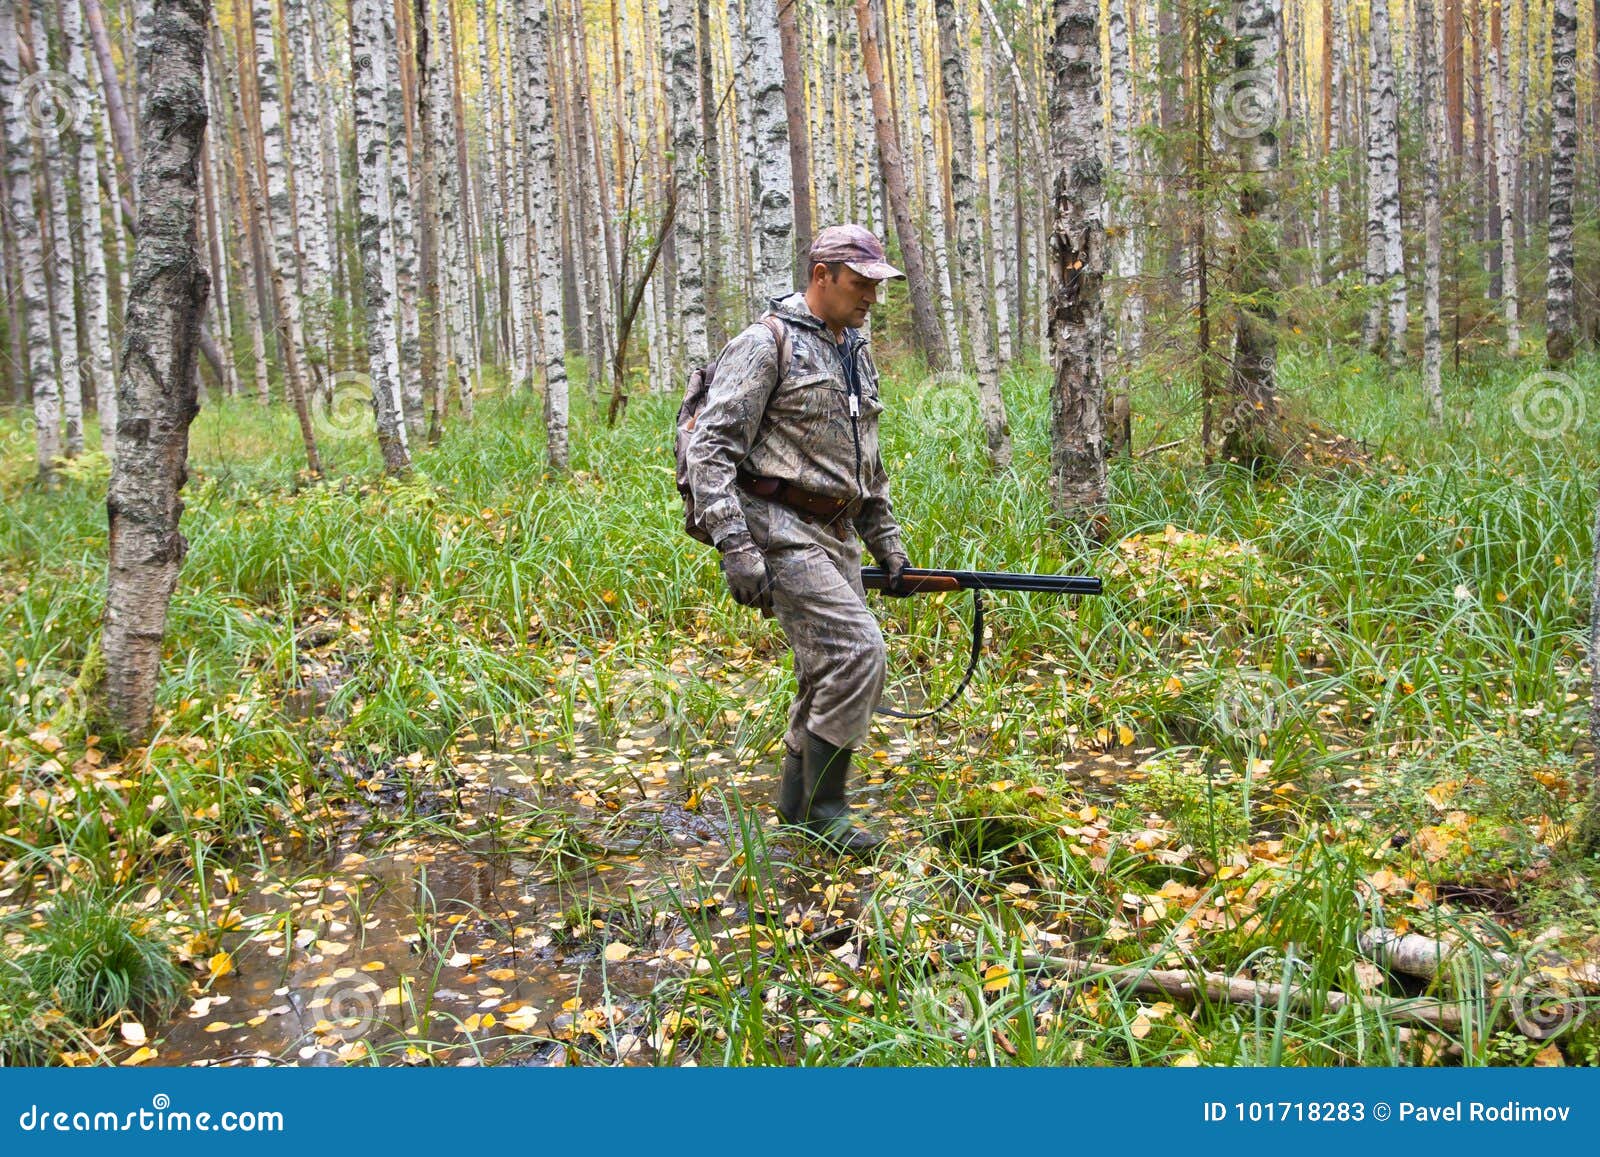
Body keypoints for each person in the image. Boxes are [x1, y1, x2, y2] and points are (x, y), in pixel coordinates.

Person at [684, 225, 914, 854]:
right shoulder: (765, 344)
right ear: (822, 275)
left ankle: (795, 809)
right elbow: (710, 450)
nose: (871, 295)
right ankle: (826, 810)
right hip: (775, 525)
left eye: (877, 284)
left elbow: (866, 462)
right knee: (857, 652)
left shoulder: (854, 349)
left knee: (825, 668)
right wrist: (737, 547)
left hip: (836, 530)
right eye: (860, 282)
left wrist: (886, 544)